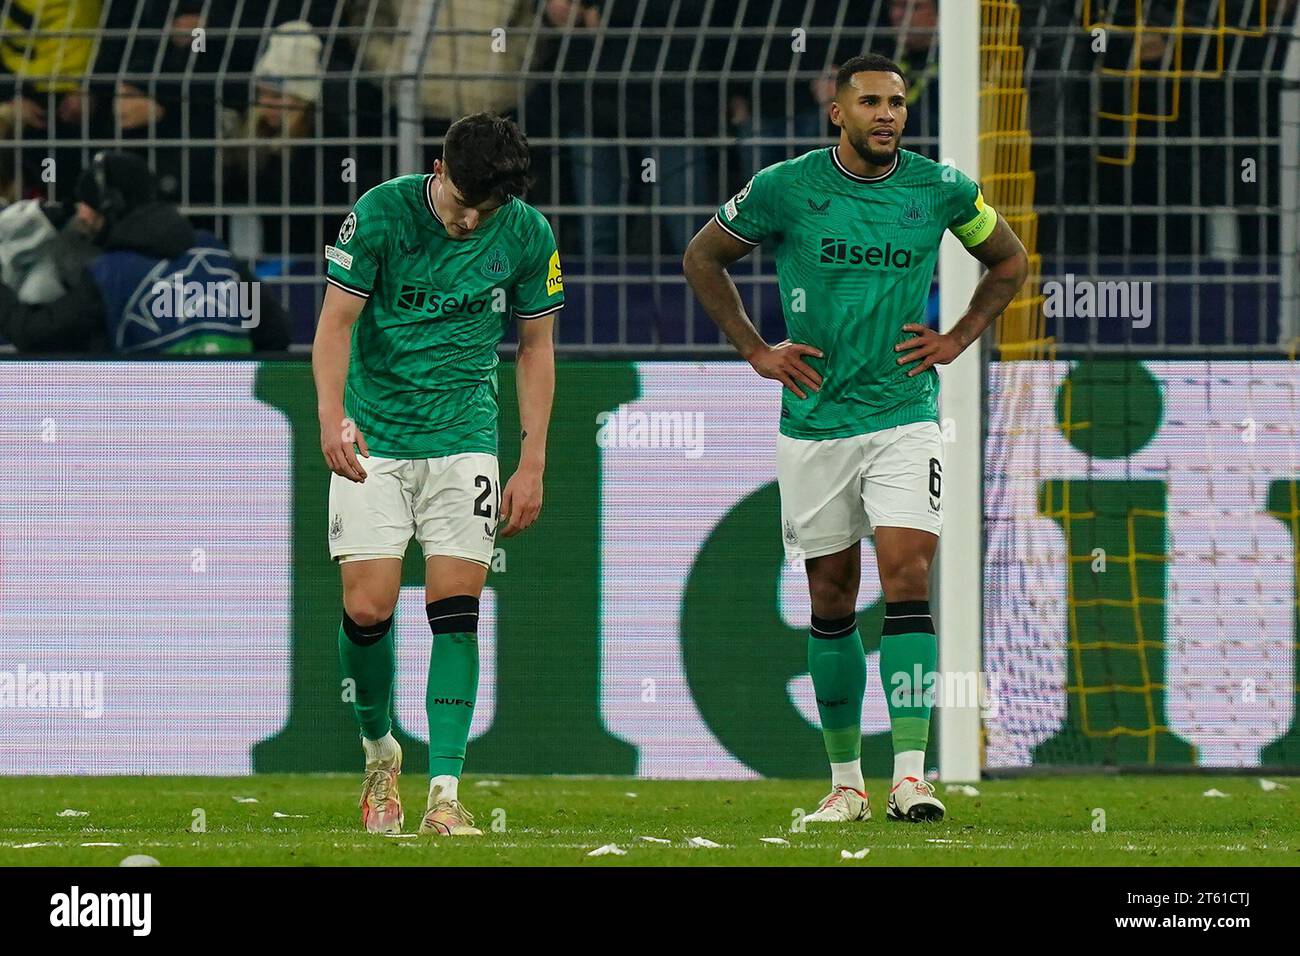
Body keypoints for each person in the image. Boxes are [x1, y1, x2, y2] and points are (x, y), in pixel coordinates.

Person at [682, 54, 1028, 824]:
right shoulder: (785, 188)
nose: (888, 115)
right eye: (871, 102)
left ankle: (911, 777)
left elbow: (1009, 259)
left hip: (905, 415)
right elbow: (703, 256)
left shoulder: (940, 189)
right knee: (830, 597)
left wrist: (959, 336)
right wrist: (755, 349)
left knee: (908, 578)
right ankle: (846, 784)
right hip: (814, 425)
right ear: (837, 112)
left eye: (898, 103)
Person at [314, 112, 562, 836]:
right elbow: (335, 325)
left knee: (455, 613)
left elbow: (536, 348)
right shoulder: (381, 214)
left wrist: (533, 458)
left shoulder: (526, 233)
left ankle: (446, 795)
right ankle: (378, 752)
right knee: (368, 609)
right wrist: (332, 418)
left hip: (464, 439)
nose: (470, 220)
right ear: (436, 168)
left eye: (485, 208)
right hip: (378, 439)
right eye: (461, 203)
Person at [0, 150, 289, 353]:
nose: (82, 215)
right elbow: (276, 332)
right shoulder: (214, 252)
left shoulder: (110, 274)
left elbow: (35, 335)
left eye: (87, 203)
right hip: (233, 418)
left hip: (151, 422)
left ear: (111, 206)